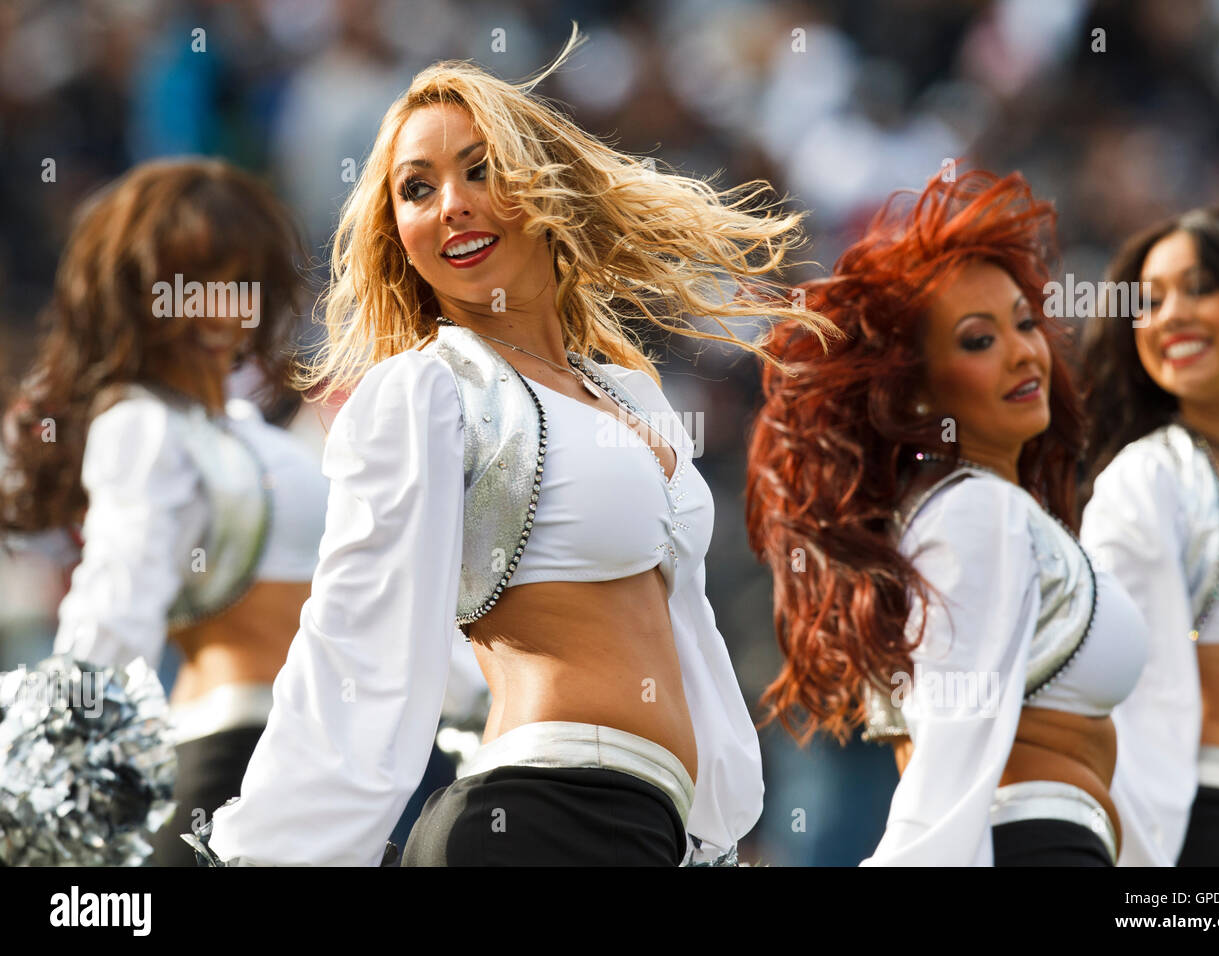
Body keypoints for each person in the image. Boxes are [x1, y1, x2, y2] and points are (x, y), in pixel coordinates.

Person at [202, 29, 838, 867]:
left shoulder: (625, 391)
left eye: (478, 168)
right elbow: (354, 638)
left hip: (654, 831)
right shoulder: (425, 393)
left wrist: (713, 836)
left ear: (545, 186)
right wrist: (269, 854)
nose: (451, 204)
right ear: (398, 233)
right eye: (416, 189)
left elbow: (684, 625)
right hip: (534, 821)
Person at [746, 167, 1154, 866]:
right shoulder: (974, 512)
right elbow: (950, 751)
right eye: (977, 340)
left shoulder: (985, 511)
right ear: (913, 397)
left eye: (1024, 323)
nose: (1024, 350)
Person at [0, 157, 327, 866]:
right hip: (235, 763)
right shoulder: (142, 426)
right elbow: (116, 606)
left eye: (238, 282)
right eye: (188, 285)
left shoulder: (253, 430)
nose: (217, 309)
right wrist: (49, 783)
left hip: (331, 768)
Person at [1080, 208, 1219, 866]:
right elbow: (1114, 696)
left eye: (1199, 288)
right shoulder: (1148, 481)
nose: (1171, 315)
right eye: (1149, 301)